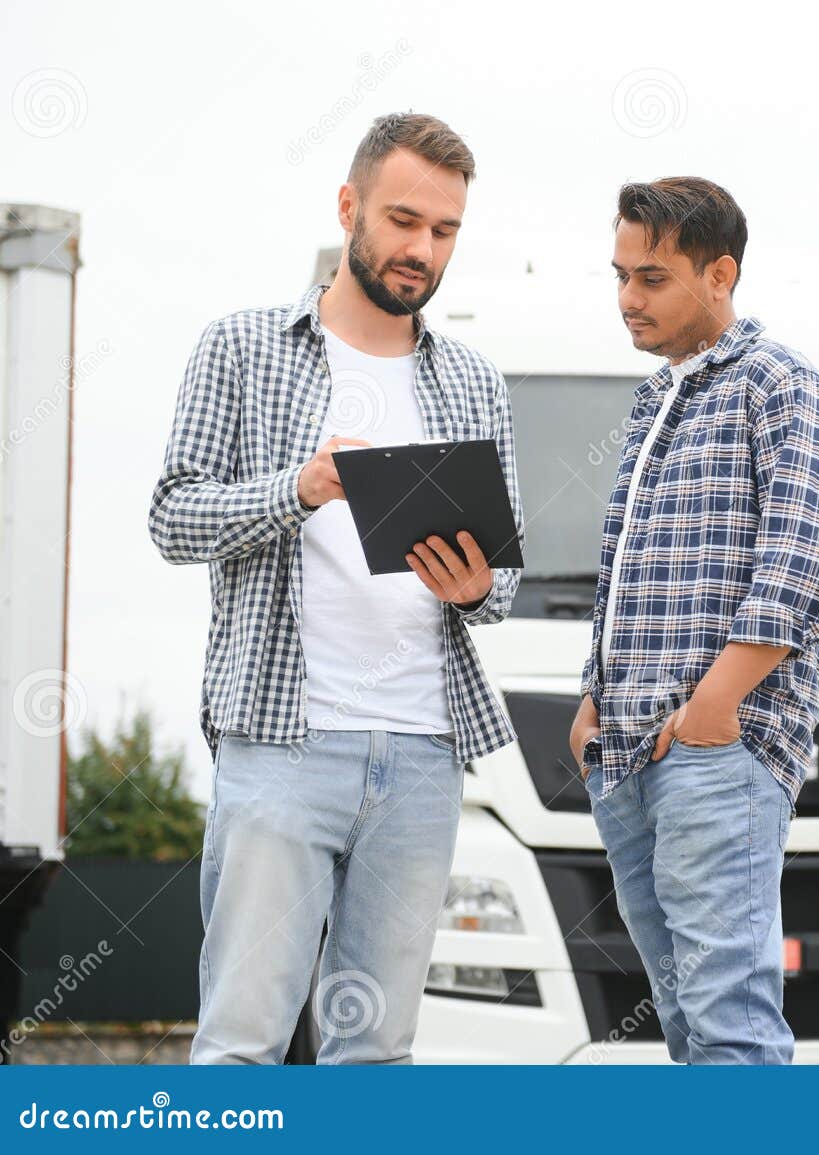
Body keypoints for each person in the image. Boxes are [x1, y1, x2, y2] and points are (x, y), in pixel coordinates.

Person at [148, 112, 523, 1064]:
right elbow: (172, 518)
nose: (421, 249)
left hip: (425, 751)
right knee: (242, 1041)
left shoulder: (476, 381)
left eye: (444, 231)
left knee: (379, 1051)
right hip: (280, 744)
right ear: (349, 206)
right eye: (403, 221)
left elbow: (503, 585)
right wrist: (299, 488)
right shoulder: (239, 348)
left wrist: (477, 585)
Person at [568, 177, 819, 1064]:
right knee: (685, 1020)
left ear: (719, 273)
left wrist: (715, 709)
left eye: (651, 278)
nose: (626, 298)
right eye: (619, 275)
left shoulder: (782, 386)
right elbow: (625, 563)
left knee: (729, 1016)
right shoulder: (654, 399)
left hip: (715, 755)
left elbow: (801, 560)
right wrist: (592, 699)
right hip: (624, 749)